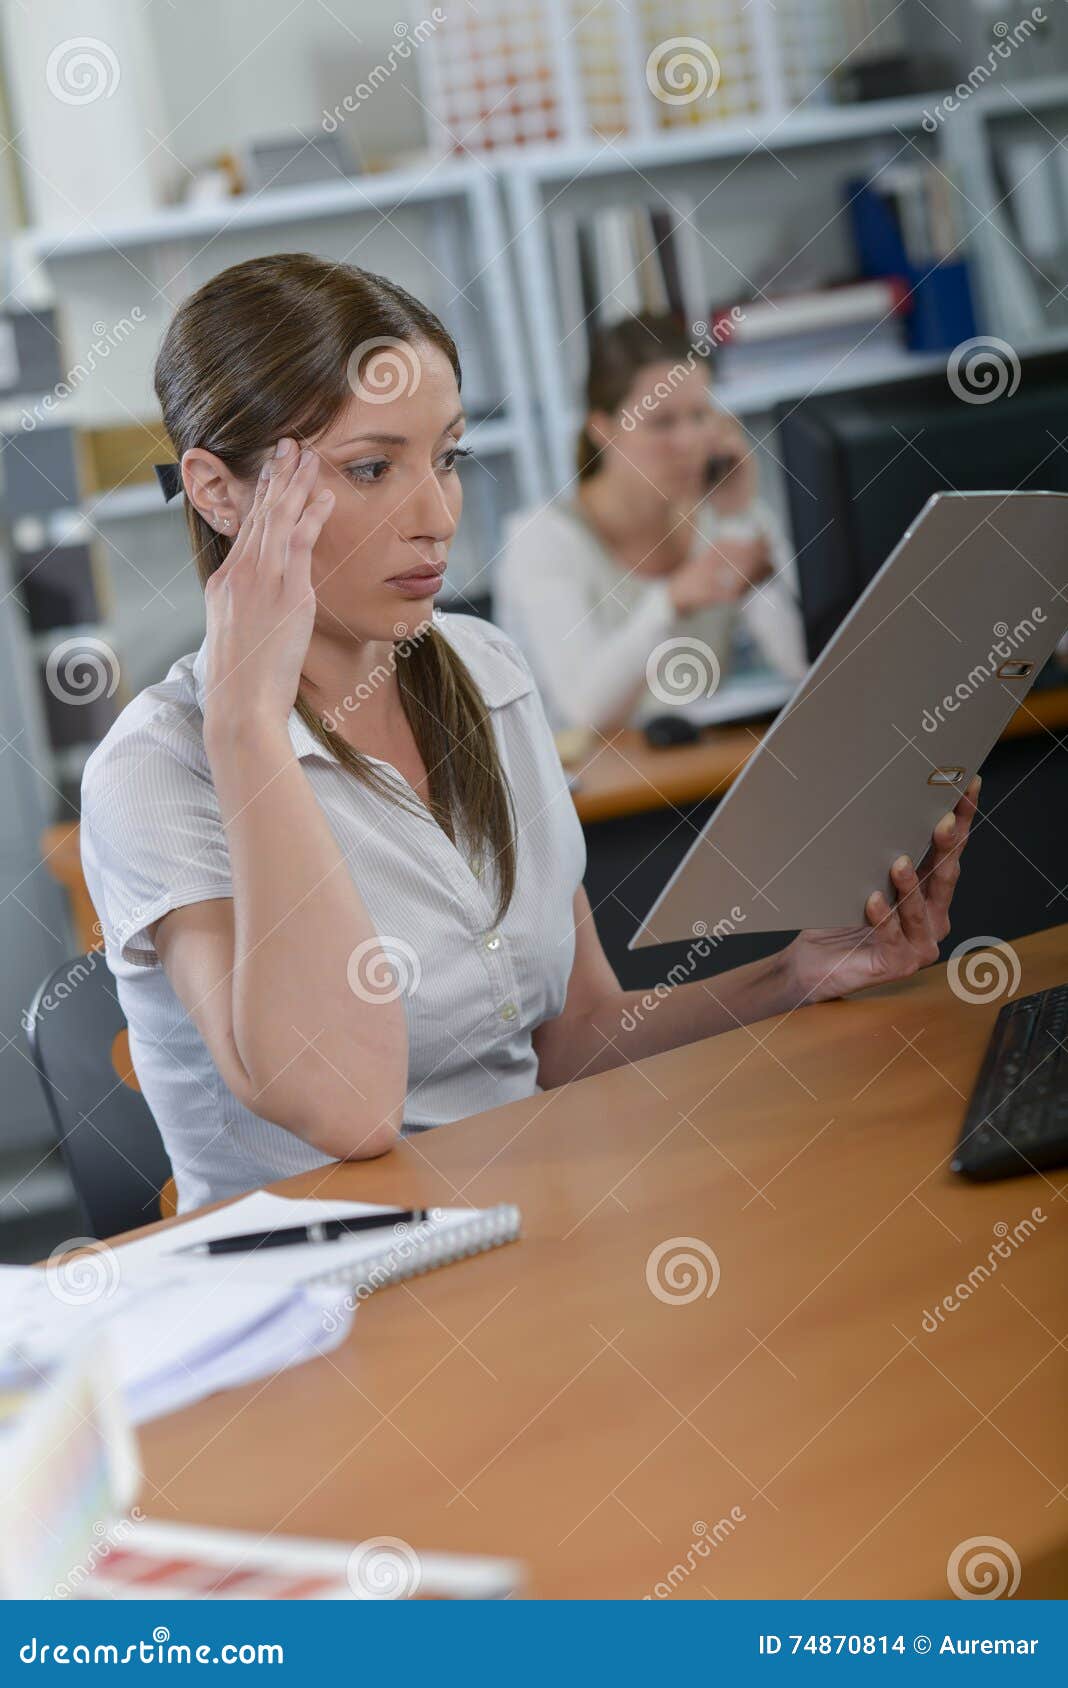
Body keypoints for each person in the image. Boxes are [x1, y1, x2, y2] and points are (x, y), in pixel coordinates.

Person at [79, 254, 978, 1214]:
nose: (437, 517)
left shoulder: (484, 672)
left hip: (534, 1226)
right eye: (373, 467)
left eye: (449, 456)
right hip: (323, 1312)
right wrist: (252, 727)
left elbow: (570, 1035)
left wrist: (798, 972)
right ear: (219, 492)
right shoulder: (158, 767)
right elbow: (348, 1112)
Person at [495, 313, 809, 733]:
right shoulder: (544, 538)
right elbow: (586, 713)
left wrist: (739, 519)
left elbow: (805, 667)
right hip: (602, 792)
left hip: (700, 777)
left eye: (700, 416)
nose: (688, 442)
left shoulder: (727, 516)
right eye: (661, 422)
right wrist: (671, 601)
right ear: (602, 430)